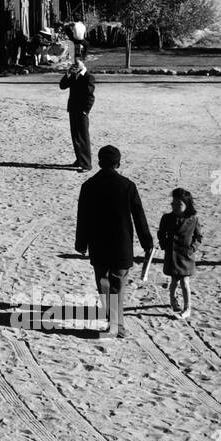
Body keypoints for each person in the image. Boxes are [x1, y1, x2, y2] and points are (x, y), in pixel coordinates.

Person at [75, 145, 153, 339]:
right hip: (121, 245)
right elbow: (139, 216)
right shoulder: (128, 186)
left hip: (98, 244)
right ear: (118, 163)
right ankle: (118, 326)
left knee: (103, 283)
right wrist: (146, 241)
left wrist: (81, 243)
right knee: (118, 285)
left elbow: (83, 217)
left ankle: (111, 320)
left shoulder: (89, 185)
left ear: (99, 162)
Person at [157, 187, 203, 320]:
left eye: (179, 204)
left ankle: (187, 308)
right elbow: (161, 233)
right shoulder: (166, 218)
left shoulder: (194, 219)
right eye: (173, 203)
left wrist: (192, 249)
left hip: (186, 257)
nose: (175, 206)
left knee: (184, 282)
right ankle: (172, 299)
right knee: (174, 281)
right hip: (172, 255)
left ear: (187, 205)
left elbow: (198, 237)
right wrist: (164, 244)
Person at [59, 59, 96, 172]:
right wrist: (68, 73)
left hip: (81, 111)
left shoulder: (88, 77)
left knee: (83, 137)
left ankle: (86, 164)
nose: (74, 67)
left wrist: (86, 110)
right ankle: (79, 159)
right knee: (75, 136)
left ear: (82, 65)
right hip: (73, 109)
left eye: (76, 65)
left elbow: (90, 97)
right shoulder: (75, 76)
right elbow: (62, 86)